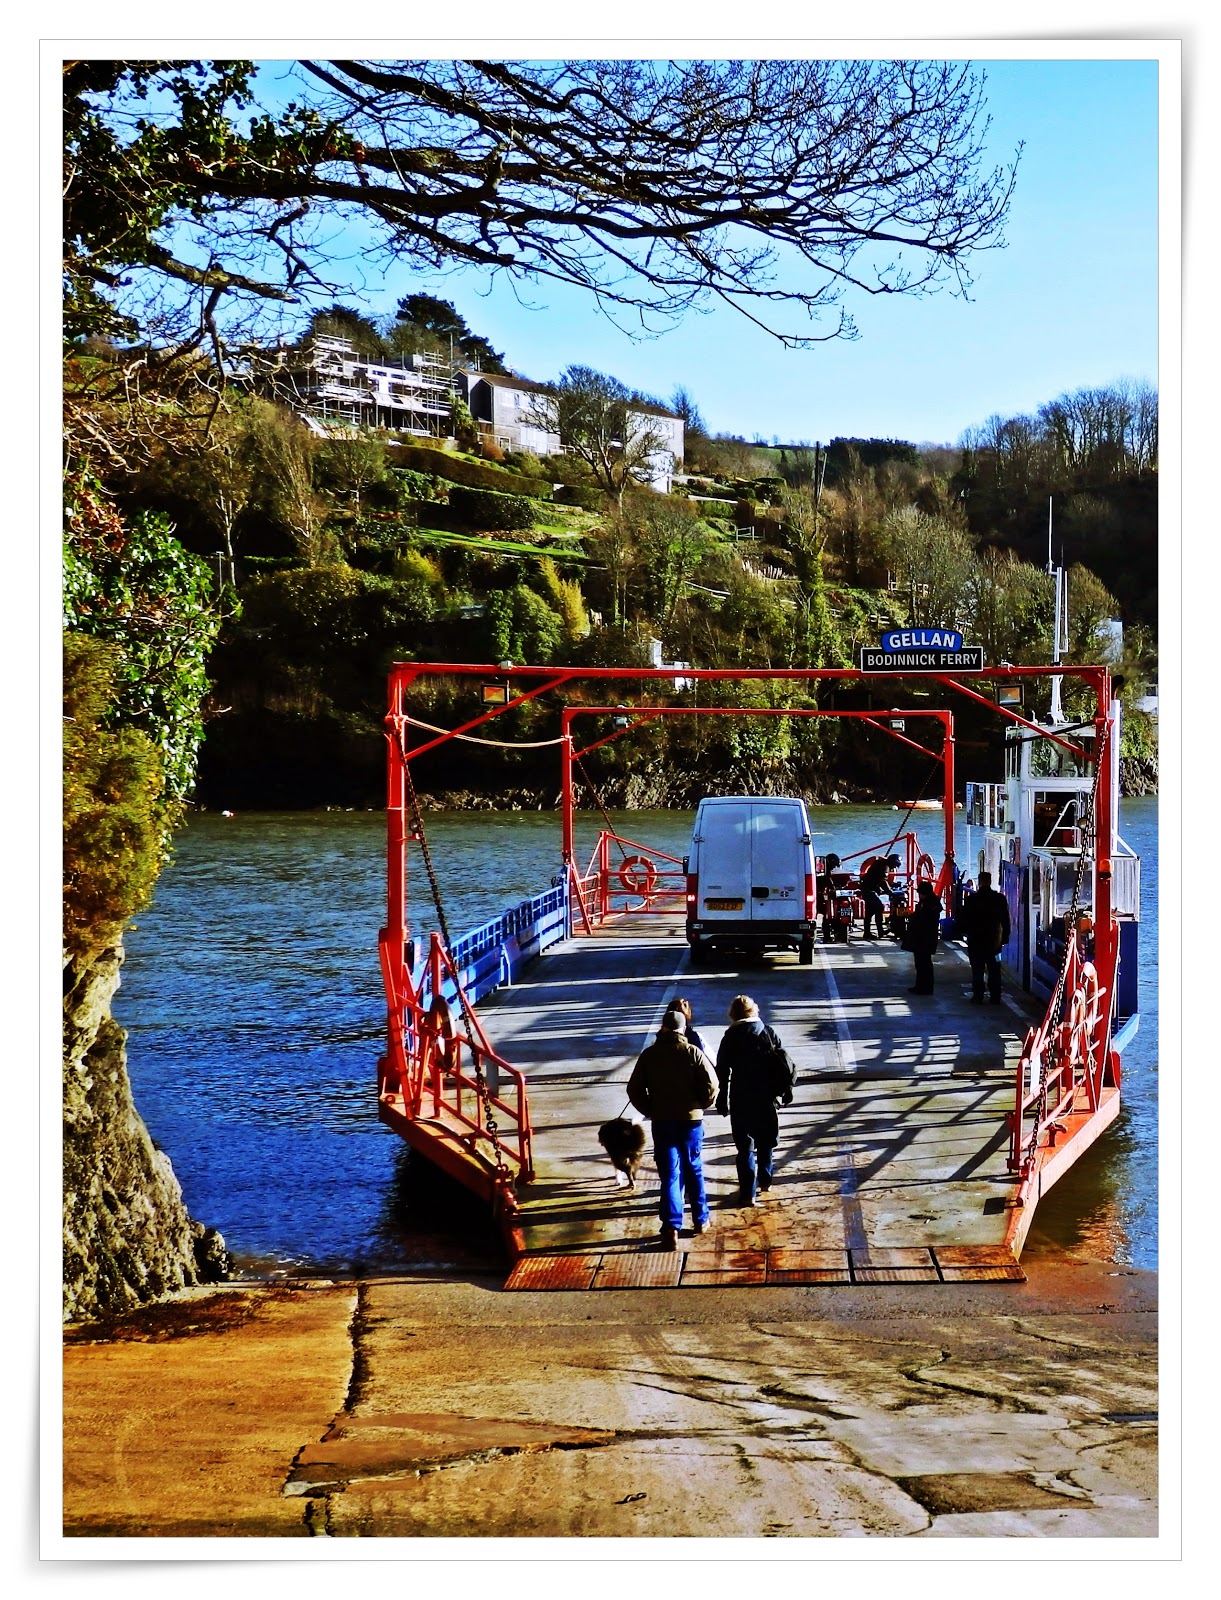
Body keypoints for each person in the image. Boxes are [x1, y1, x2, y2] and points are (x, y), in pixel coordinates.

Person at [627, 1010, 719, 1248]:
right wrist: (699, 1105)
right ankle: (700, 1219)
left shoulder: (649, 1055)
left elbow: (634, 1089)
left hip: (662, 1122)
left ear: (664, 1027)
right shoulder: (693, 1053)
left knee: (670, 1174)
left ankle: (670, 1227)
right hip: (691, 1122)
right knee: (694, 1169)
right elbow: (712, 1086)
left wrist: (650, 1109)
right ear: (683, 1028)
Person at [714, 995, 793, 1207]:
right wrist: (786, 1090)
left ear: (733, 1013)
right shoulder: (768, 1032)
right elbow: (784, 1063)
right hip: (767, 1096)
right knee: (766, 1140)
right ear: (754, 1011)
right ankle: (765, 1180)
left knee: (745, 1146)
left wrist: (722, 1097)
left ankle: (748, 1193)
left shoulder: (730, 1037)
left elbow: (722, 1069)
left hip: (741, 1097)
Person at [957, 870, 1011, 1004]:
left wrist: (963, 931)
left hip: (976, 939)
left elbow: (964, 919)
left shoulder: (971, 899)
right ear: (990, 881)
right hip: (994, 940)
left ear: (979, 882)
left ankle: (978, 995)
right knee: (994, 969)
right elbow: (1005, 920)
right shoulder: (999, 899)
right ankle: (995, 996)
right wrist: (1005, 936)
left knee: (977, 969)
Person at [904, 880, 943, 995]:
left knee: (923, 963)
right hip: (925, 938)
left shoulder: (928, 904)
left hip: (924, 938)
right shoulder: (931, 903)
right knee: (923, 963)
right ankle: (922, 986)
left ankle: (924, 987)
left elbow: (924, 920)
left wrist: (913, 918)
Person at [860, 854, 894, 940]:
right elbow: (883, 880)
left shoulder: (879, 863)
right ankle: (880, 931)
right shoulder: (885, 866)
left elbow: (875, 877)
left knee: (869, 911)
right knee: (879, 907)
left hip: (866, 887)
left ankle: (867, 933)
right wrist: (890, 891)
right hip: (869, 890)